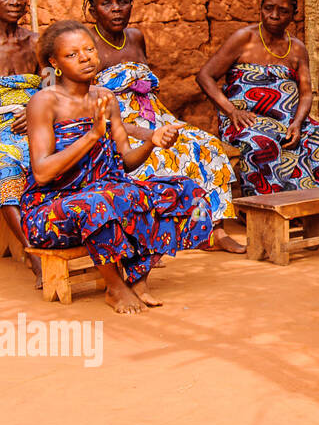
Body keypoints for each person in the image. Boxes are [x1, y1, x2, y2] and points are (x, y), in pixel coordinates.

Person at [22, 20, 213, 314]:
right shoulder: (44, 102)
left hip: (109, 195)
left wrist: (152, 142)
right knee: (100, 203)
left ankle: (139, 277)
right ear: (54, 62)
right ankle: (114, 286)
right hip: (53, 211)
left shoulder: (105, 98)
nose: (85, 57)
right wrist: (92, 136)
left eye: (88, 49)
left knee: (190, 193)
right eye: (72, 54)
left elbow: (124, 161)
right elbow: (43, 172)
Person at [85, 0, 245, 254]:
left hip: (156, 115)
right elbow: (85, 102)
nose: (116, 9)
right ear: (92, 10)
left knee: (208, 148)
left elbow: (146, 88)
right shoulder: (87, 46)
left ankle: (213, 231)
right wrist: (145, 133)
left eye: (122, 2)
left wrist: (160, 125)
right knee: (157, 156)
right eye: (107, 3)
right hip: (117, 124)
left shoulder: (135, 37)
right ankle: (154, 237)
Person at [197, 0, 319, 194]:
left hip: (290, 121)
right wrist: (231, 111)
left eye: (283, 11)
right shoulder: (244, 38)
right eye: (268, 8)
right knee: (262, 143)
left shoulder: (297, 48)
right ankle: (266, 208)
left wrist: (297, 123)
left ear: (294, 15)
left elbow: (305, 93)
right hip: (246, 120)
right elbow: (204, 76)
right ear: (261, 9)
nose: (274, 16)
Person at [0, 0, 42, 286]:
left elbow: (56, 87)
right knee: (7, 162)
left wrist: (36, 109)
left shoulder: (37, 42)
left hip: (37, 119)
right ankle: (35, 253)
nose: (15, 1)